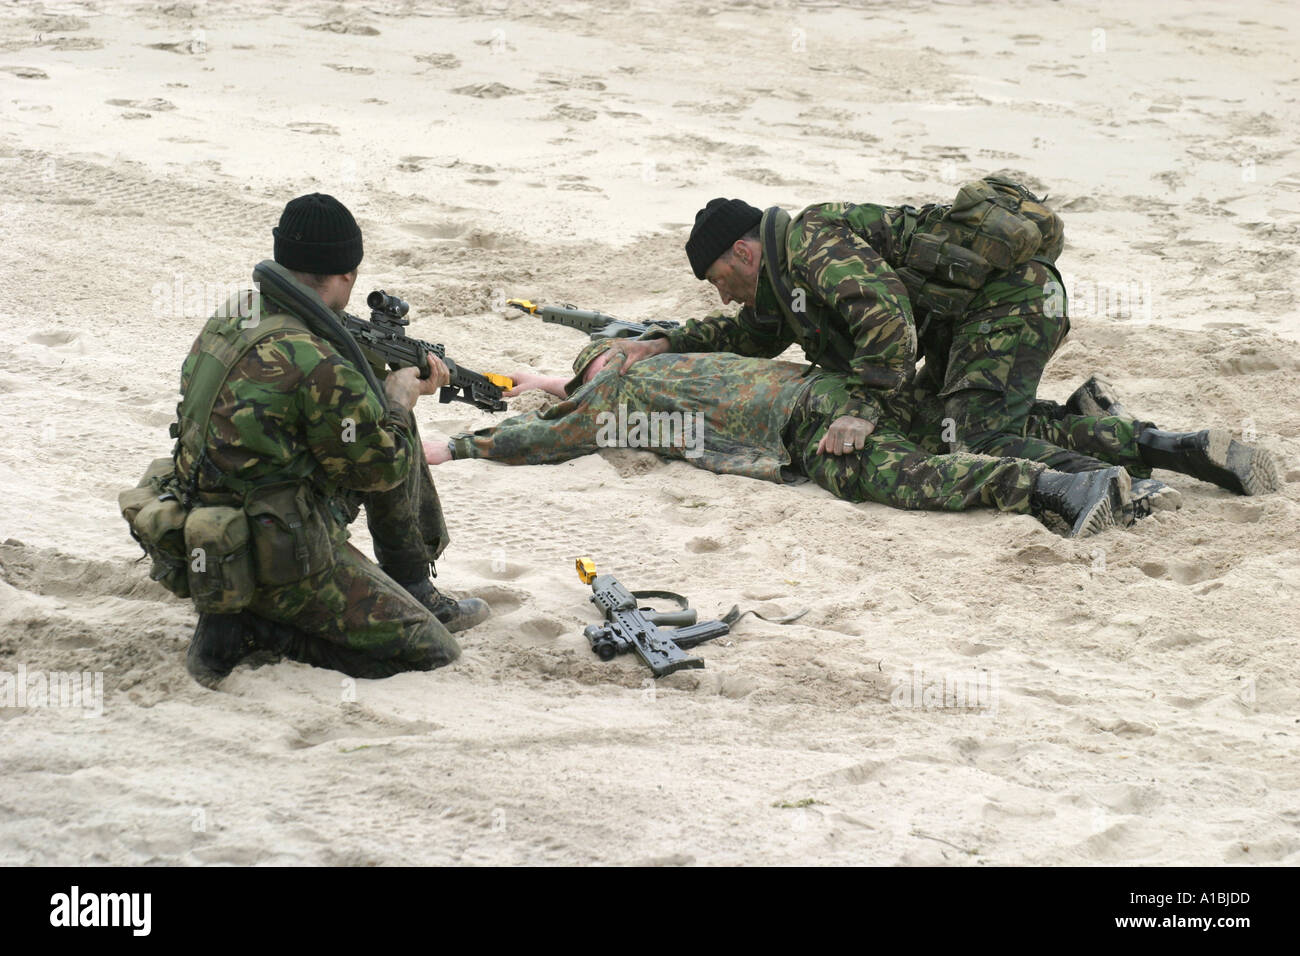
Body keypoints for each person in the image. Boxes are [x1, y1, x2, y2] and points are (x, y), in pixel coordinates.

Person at [603, 192, 1279, 500]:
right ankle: (1177, 449)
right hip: (983, 314)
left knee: (973, 432)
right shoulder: (783, 276)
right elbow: (751, 336)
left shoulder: (813, 245)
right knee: (973, 418)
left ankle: (1113, 485)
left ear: (744, 252)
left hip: (1010, 303)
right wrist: (664, 342)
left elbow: (889, 318)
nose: (722, 297)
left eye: (720, 281)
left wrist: (861, 406)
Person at [174, 193, 488, 687]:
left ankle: (412, 585)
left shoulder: (238, 312)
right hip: (273, 550)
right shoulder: (319, 362)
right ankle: (257, 629)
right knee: (434, 651)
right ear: (347, 275)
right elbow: (380, 468)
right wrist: (400, 398)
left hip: (203, 521)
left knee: (380, 423)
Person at [426, 340, 1135, 538]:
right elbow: (571, 386)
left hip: (803, 427)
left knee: (902, 477)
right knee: (956, 425)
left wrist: (452, 448)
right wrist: (546, 381)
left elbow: (544, 440)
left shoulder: (615, 396)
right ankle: (1116, 434)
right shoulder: (660, 361)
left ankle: (1055, 487)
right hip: (834, 385)